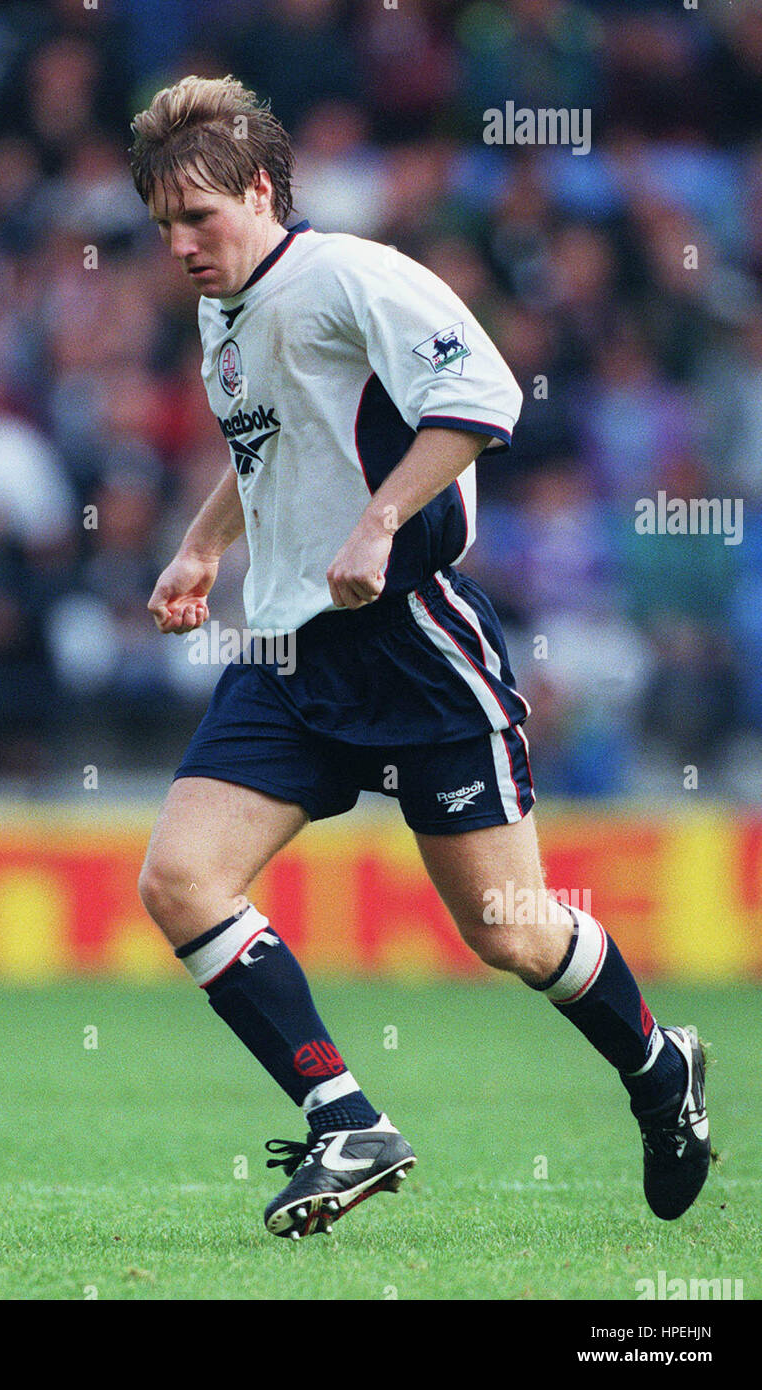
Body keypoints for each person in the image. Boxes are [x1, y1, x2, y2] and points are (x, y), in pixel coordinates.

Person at [129, 75, 711, 1240]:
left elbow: (482, 398)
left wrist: (381, 520)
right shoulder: (223, 312)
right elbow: (268, 447)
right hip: (289, 651)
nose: (181, 244)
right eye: (162, 225)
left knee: (508, 929)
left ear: (261, 189)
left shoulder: (352, 276)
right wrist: (201, 546)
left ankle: (658, 1065)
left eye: (198, 216)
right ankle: (346, 1119)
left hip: (412, 641)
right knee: (181, 880)